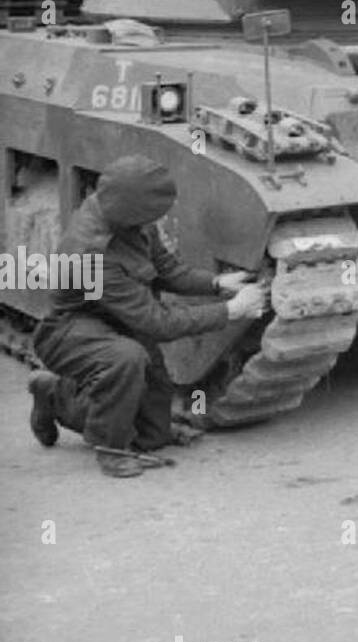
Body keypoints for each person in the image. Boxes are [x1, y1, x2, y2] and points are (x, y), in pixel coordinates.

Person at [27, 156, 267, 478]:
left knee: (153, 435)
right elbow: (157, 323)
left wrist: (216, 283)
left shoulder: (128, 214)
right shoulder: (91, 253)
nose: (156, 219)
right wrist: (232, 310)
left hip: (119, 317)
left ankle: (58, 396)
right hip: (71, 329)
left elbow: (166, 270)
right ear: (132, 211)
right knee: (126, 358)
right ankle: (107, 447)